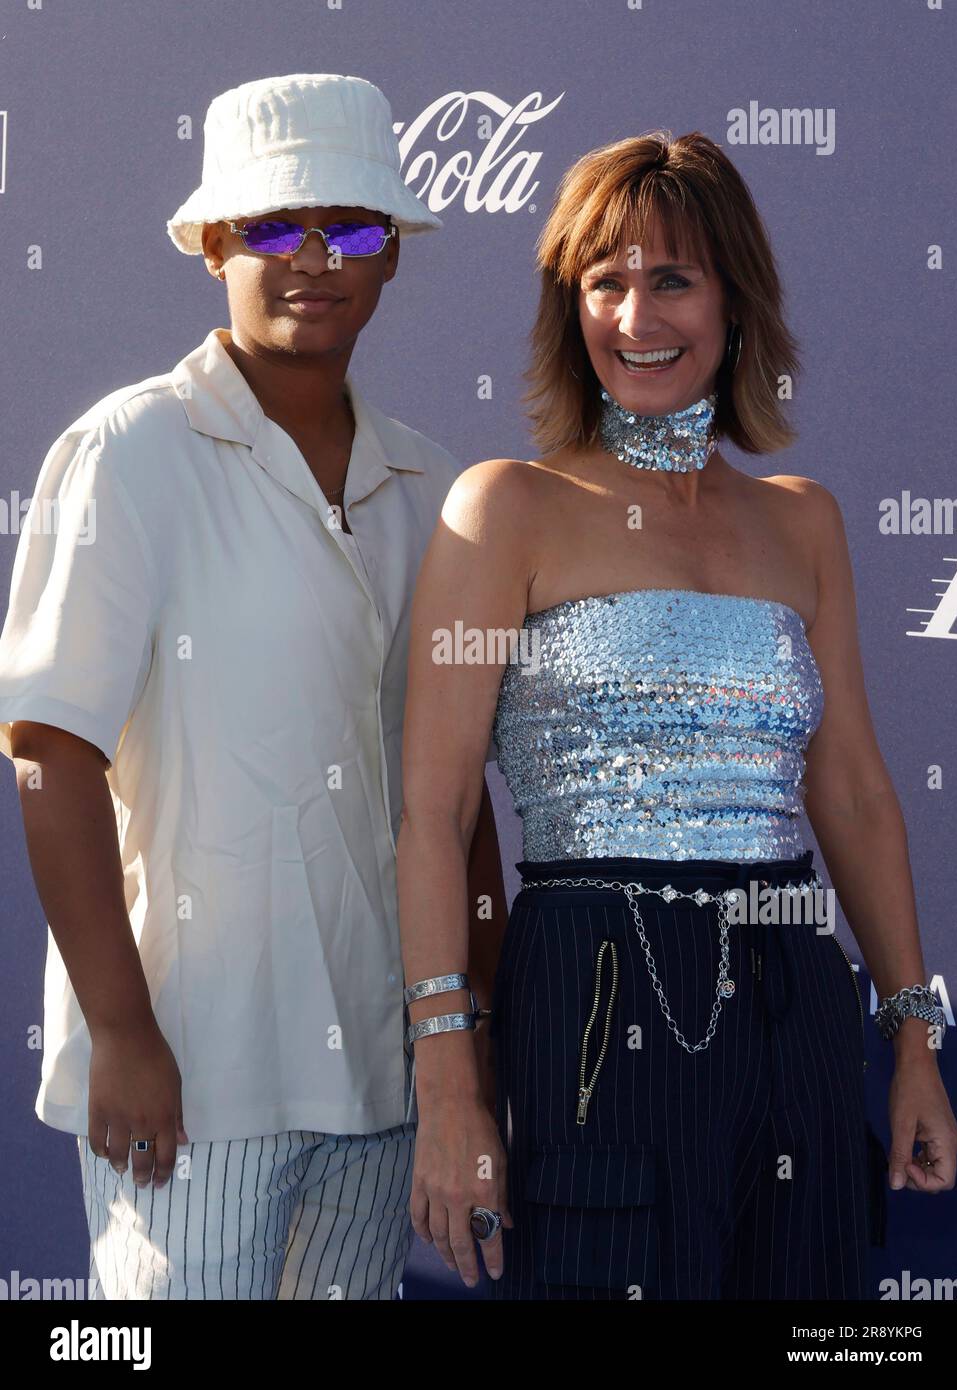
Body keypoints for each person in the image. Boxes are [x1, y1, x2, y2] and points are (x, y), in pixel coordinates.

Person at [396, 129, 957, 1300]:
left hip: (796, 998)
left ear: (734, 300)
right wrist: (450, 1081)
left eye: (672, 278)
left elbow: (851, 787)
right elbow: (433, 810)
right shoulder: (506, 506)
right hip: (591, 996)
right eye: (605, 279)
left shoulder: (805, 521)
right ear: (572, 304)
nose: (635, 314)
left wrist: (913, 1038)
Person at [0, 72, 506, 1300]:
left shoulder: (437, 485)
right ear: (213, 244)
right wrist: (122, 1031)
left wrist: (464, 1039)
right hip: (190, 1078)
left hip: (383, 1080)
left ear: (394, 257)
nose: (314, 257)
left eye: (353, 227)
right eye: (275, 226)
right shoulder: (128, 450)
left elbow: (457, 799)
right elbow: (48, 751)